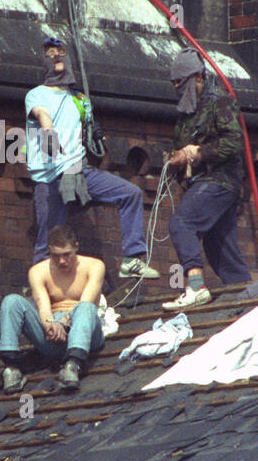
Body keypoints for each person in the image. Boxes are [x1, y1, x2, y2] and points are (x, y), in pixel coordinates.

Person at [25, 34, 159, 280]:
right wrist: (50, 138)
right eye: (49, 53)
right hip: (51, 178)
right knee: (48, 242)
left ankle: (132, 259)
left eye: (60, 51)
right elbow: (43, 116)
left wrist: (93, 132)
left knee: (131, 194)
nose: (55, 56)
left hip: (79, 170)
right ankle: (40, 297)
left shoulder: (80, 99)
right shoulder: (36, 94)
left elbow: (87, 136)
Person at [161, 47, 253, 310]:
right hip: (202, 183)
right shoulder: (185, 117)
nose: (177, 88)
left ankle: (196, 286)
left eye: (182, 82)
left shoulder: (220, 103)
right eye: (174, 83)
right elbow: (184, 152)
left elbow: (234, 142)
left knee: (182, 224)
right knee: (219, 248)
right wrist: (177, 160)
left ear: (198, 77)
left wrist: (199, 153)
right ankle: (250, 301)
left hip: (219, 181)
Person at [0, 224, 105, 392]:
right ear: (49, 250)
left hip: (86, 333)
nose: (62, 261)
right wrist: (50, 324)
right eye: (56, 255)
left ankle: (72, 366)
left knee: (85, 307)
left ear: (76, 247)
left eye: (66, 254)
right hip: (53, 335)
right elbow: (43, 306)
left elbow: (88, 301)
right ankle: (11, 368)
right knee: (11, 301)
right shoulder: (38, 271)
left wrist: (63, 323)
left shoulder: (94, 266)